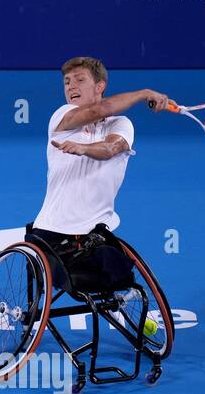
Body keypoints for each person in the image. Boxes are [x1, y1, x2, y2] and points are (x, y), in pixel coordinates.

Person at [29, 56, 169, 287]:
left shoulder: (121, 124)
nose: (71, 86)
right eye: (67, 82)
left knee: (121, 274)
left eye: (79, 80)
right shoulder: (62, 117)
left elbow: (111, 148)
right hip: (51, 234)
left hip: (94, 237)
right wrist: (144, 94)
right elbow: (99, 109)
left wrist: (84, 149)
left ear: (99, 86)